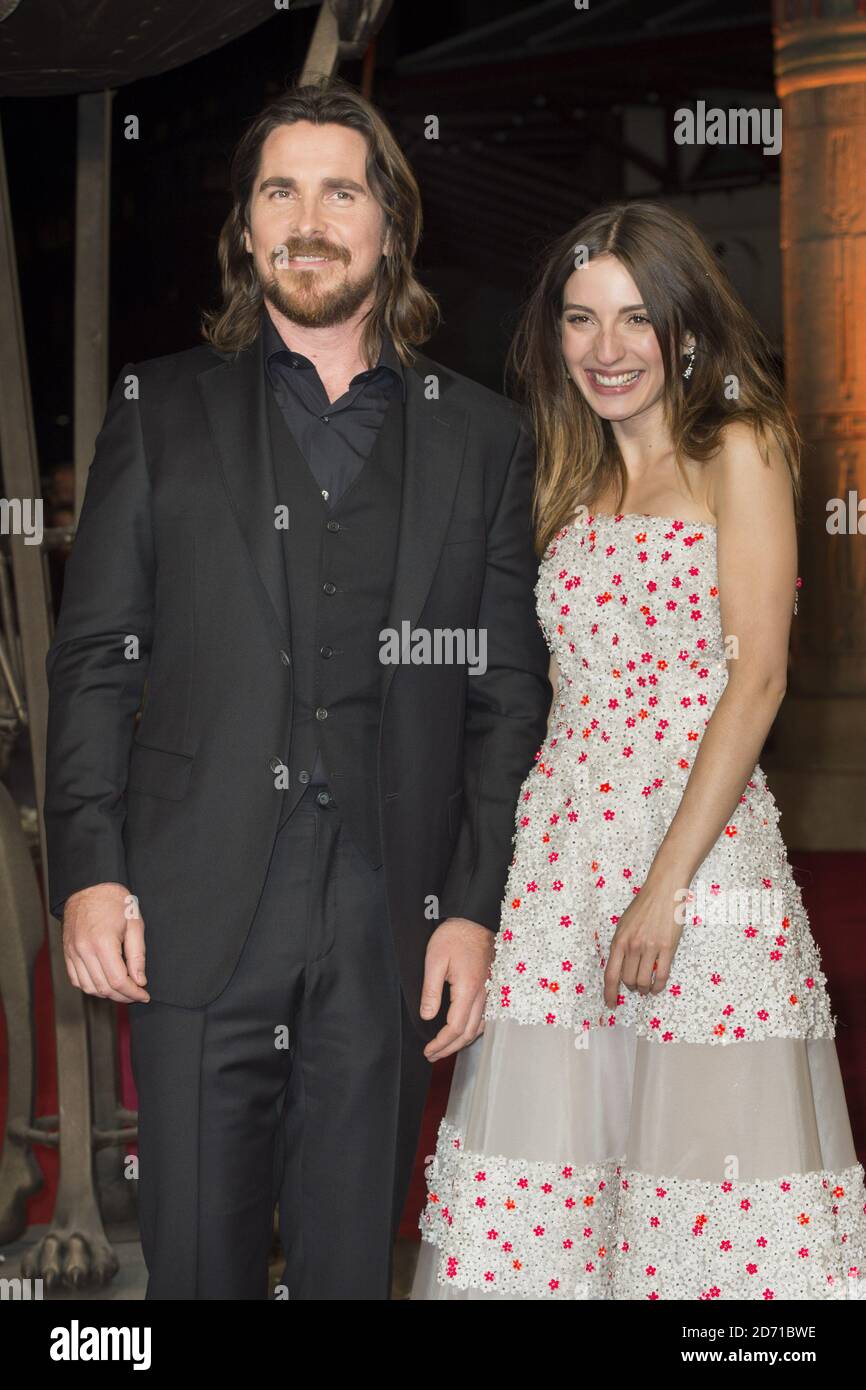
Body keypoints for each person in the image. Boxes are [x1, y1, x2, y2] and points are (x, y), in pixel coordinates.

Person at [43, 77, 551, 1300]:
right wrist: (93, 865)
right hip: (190, 905)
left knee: (345, 1264)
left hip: (389, 924)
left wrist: (474, 908)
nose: (307, 217)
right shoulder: (156, 412)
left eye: (340, 189)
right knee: (196, 1271)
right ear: (248, 227)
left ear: (389, 224)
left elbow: (503, 700)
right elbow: (96, 657)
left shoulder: (480, 438)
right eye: (280, 190)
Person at [413, 200, 866, 1300]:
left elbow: (755, 675)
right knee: (555, 1195)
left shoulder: (738, 448)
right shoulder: (564, 476)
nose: (604, 350)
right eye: (578, 319)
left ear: (683, 328)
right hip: (561, 868)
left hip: (701, 868)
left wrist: (664, 887)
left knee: (711, 1195)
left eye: (632, 319)